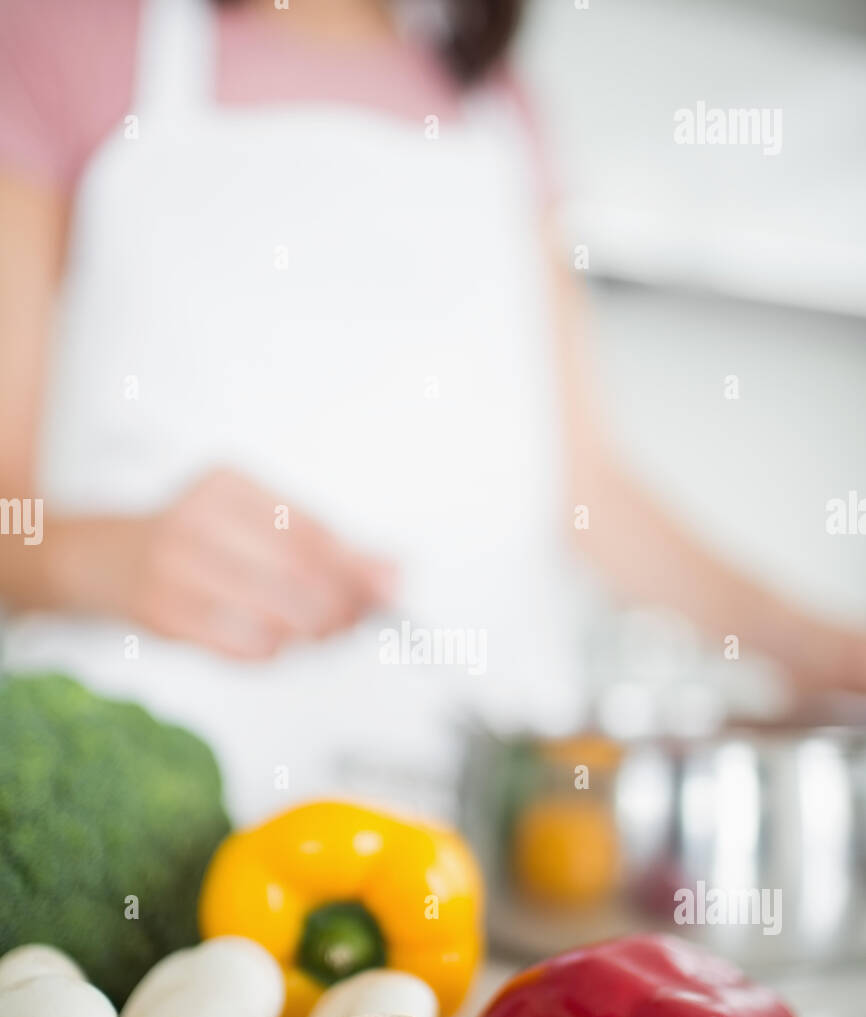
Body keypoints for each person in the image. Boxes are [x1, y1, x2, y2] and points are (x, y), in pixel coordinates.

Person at [1, 0, 864, 821]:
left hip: (478, 845)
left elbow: (590, 494)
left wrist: (814, 647)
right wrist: (97, 557)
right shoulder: (61, 36)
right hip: (148, 827)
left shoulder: (503, 114)